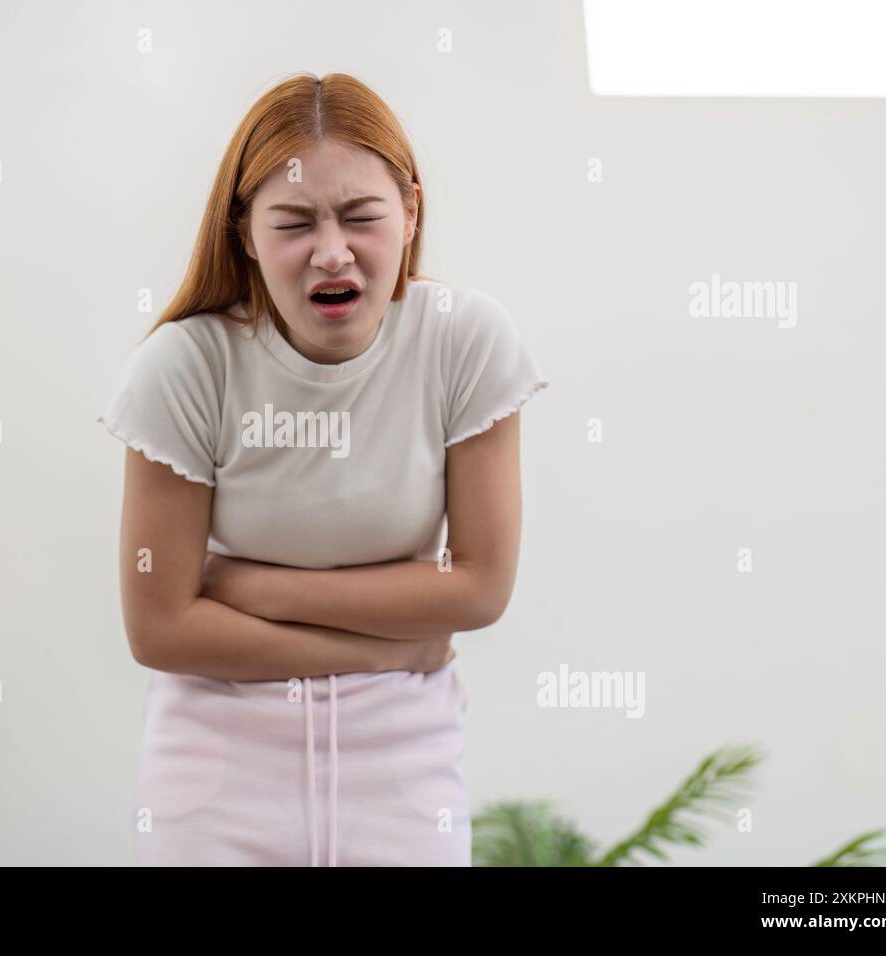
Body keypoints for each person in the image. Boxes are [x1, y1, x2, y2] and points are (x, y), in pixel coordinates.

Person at [97, 72, 548, 866]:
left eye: (363, 217)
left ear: (411, 210)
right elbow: (159, 627)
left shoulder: (465, 342)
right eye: (294, 222)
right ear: (244, 232)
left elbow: (478, 587)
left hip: (405, 772)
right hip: (213, 776)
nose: (331, 251)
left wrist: (249, 587)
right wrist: (389, 647)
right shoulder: (186, 366)